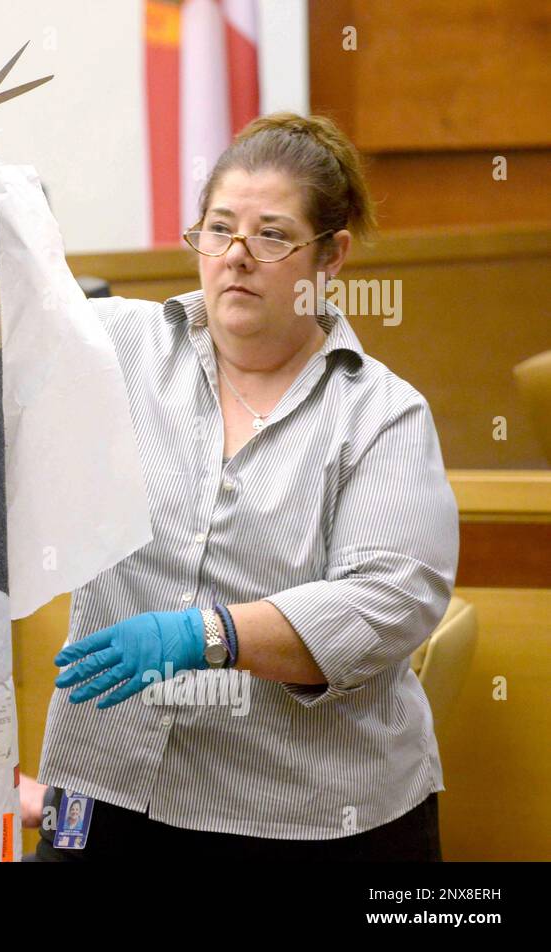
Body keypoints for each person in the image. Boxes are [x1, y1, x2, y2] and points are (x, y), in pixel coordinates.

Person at [23, 113, 458, 862]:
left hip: (304, 814)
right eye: (218, 229)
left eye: (272, 235)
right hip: (109, 785)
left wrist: (208, 636)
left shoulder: (382, 414)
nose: (236, 257)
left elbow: (389, 599)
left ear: (332, 256)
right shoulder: (115, 347)